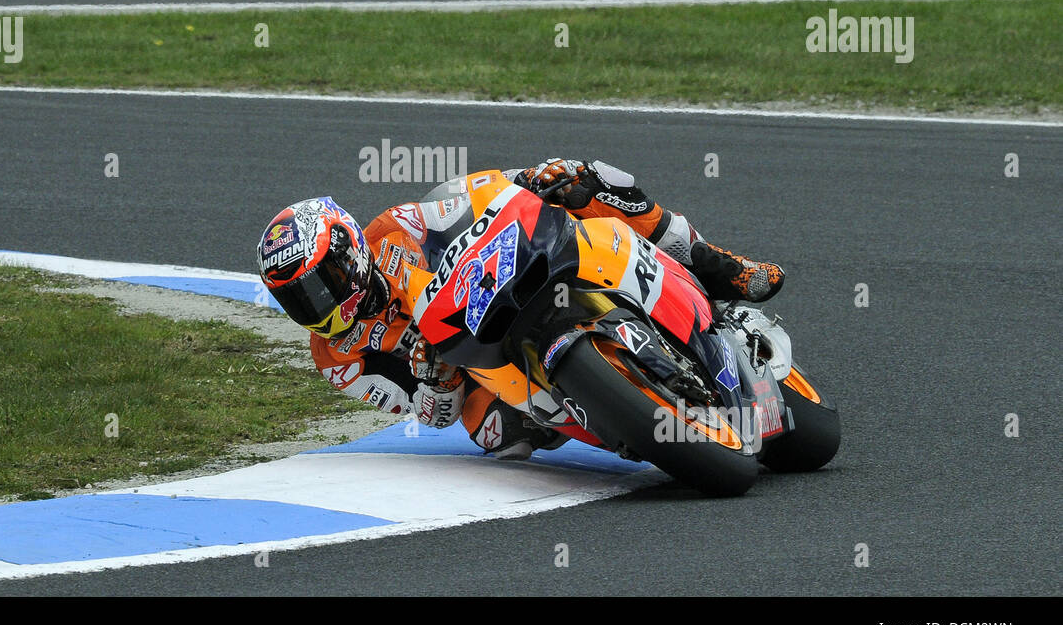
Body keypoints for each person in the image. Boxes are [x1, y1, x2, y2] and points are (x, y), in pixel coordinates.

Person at [255, 159, 784, 460]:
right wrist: (435, 380)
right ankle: (621, 413)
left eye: (319, 284)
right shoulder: (337, 359)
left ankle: (716, 265)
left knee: (590, 179)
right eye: (298, 298)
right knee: (498, 436)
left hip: (492, 286)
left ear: (349, 249)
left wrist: (529, 178)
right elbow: (431, 417)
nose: (316, 304)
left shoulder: (394, 227)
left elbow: (466, 198)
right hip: (472, 366)